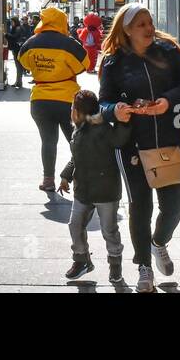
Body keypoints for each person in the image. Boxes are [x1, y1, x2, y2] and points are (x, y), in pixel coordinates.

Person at [98, 3, 180, 293]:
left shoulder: (168, 50)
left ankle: (159, 242)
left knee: (173, 206)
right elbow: (103, 102)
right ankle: (144, 267)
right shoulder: (113, 61)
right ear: (127, 29)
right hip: (132, 145)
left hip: (168, 140)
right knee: (140, 207)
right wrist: (115, 110)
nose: (148, 27)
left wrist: (167, 101)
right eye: (141, 24)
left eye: (150, 21)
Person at [58, 89, 131, 283]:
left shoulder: (104, 129)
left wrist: (124, 120)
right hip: (83, 190)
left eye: (74, 108)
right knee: (75, 225)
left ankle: (115, 266)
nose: (71, 111)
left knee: (109, 230)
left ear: (81, 112)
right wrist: (66, 175)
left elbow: (121, 137)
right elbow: (76, 157)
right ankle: (82, 260)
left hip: (106, 191)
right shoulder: (78, 130)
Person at [17, 7, 89, 192]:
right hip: (67, 101)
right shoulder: (69, 43)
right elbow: (85, 64)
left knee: (48, 141)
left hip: (40, 100)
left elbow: (22, 60)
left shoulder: (31, 42)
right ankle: (81, 178)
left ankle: (48, 180)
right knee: (76, 141)